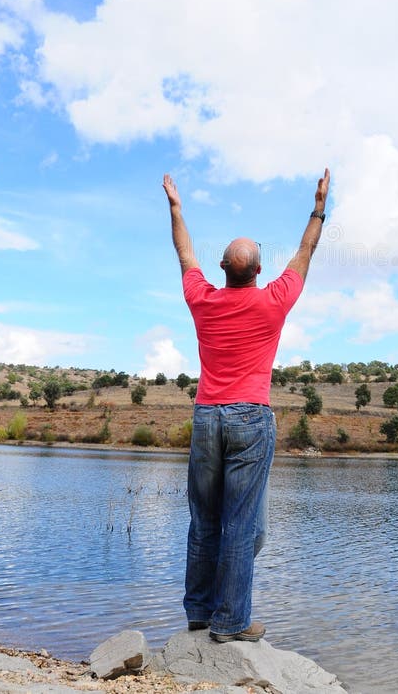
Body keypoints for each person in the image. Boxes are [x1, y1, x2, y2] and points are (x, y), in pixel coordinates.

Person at [162, 168, 330, 644]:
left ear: (222, 269)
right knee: (241, 525)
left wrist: (176, 207)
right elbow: (306, 252)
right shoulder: (274, 299)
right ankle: (232, 621)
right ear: (258, 271)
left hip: (207, 415)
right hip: (250, 418)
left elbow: (183, 251)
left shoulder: (201, 298)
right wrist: (318, 205)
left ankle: (200, 612)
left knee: (205, 520)